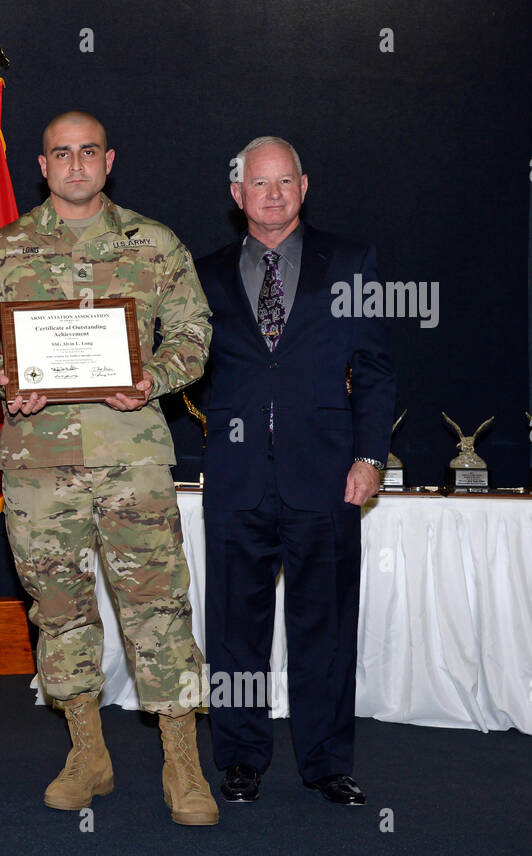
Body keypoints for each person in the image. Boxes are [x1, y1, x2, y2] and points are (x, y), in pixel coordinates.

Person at [0, 111, 218, 826]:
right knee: (59, 614)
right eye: (59, 155)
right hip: (39, 466)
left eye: (87, 153)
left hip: (131, 456)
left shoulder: (155, 242)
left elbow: (196, 334)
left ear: (109, 160)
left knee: (158, 611)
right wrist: (6, 380)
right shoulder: (3, 250)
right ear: (41, 167)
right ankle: (88, 754)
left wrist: (156, 378)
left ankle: (183, 765)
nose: (75, 165)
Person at [195, 136, 395, 806]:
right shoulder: (206, 273)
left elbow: (373, 369)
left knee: (327, 627)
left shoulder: (351, 261)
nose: (272, 194)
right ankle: (241, 757)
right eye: (259, 183)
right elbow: (186, 368)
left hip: (327, 478)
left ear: (303, 187)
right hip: (237, 479)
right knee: (233, 629)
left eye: (284, 182)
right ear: (237, 194)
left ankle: (326, 762)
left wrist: (369, 457)